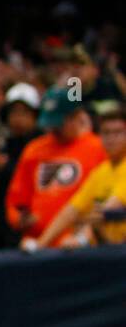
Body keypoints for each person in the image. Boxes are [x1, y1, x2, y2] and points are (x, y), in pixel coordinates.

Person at [7, 85, 106, 247]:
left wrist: (85, 234)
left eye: (59, 124)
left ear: (76, 117)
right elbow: (16, 200)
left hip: (80, 243)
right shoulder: (34, 149)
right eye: (50, 124)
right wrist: (19, 219)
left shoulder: (96, 148)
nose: (54, 130)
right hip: (37, 244)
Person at [35, 103, 126, 248]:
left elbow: (106, 210)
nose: (111, 139)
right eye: (106, 133)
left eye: (118, 132)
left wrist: (81, 239)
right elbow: (71, 211)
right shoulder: (101, 171)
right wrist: (40, 244)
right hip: (111, 250)